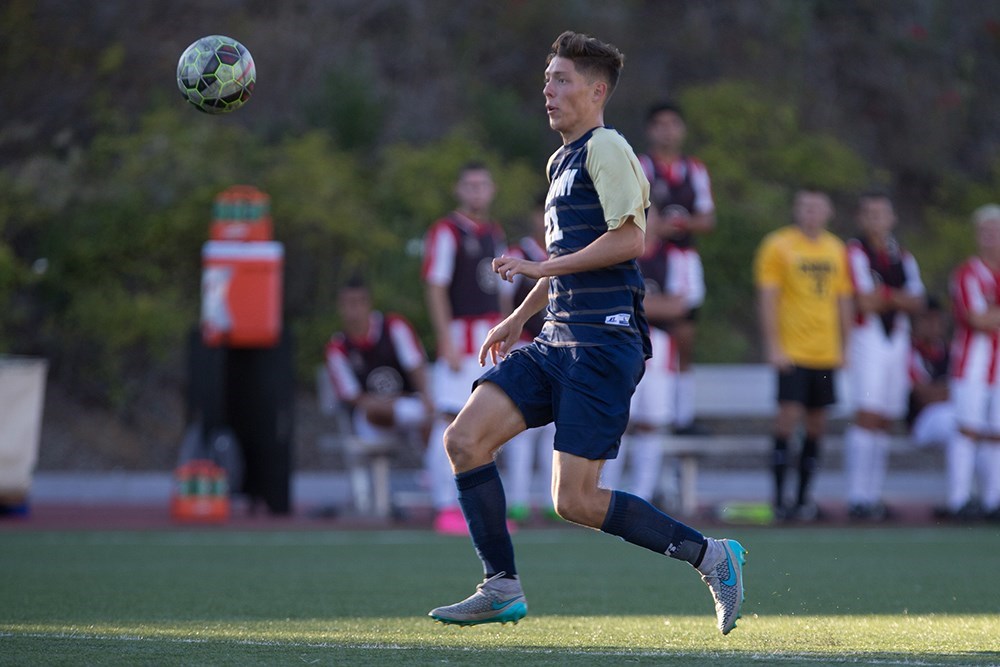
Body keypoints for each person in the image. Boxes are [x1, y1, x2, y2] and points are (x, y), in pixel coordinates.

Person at [427, 31, 746, 635]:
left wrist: (541, 268)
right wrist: (520, 316)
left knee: (574, 500)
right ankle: (501, 586)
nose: (548, 89)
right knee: (464, 440)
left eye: (562, 79)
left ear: (597, 92)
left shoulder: (609, 148)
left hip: (604, 343)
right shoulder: (560, 160)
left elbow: (630, 240)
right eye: (547, 79)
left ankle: (712, 556)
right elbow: (569, 253)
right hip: (554, 341)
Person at [422, 161, 511, 535]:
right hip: (460, 333)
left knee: (488, 422)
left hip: (489, 335)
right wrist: (446, 338)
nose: (476, 191)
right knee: (451, 418)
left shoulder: (494, 232)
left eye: (483, 184)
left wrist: (507, 331)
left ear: (491, 190)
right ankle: (445, 503)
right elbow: (436, 285)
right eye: (470, 184)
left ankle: (480, 506)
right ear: (460, 190)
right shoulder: (446, 231)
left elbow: (505, 290)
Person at [753, 188, 853, 521]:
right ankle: (780, 499)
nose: (810, 213)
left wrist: (846, 345)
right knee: (786, 420)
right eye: (805, 206)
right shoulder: (778, 245)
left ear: (828, 212)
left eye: (817, 207)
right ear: (797, 210)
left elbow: (843, 299)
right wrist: (774, 346)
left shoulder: (837, 249)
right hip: (793, 351)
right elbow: (768, 297)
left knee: (817, 424)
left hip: (825, 352)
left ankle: (803, 500)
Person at [843, 191, 926, 520]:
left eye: (882, 213)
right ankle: (856, 496)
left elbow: (918, 301)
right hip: (868, 337)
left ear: (892, 218)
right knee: (868, 414)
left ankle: (874, 495)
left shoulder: (902, 255)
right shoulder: (854, 251)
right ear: (861, 218)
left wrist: (885, 296)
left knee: (886, 418)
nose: (876, 220)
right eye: (870, 214)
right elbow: (864, 301)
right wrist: (896, 298)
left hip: (897, 340)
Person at [601, 206, 691, 504]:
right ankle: (605, 492)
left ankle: (641, 495)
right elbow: (610, 302)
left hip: (659, 346)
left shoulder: (673, 257)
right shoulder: (616, 251)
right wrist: (651, 304)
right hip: (620, 341)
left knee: (650, 422)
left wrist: (636, 303)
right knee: (617, 420)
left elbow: (680, 306)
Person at [638, 102, 716, 436]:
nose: (667, 130)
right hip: (645, 255)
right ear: (650, 130)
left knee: (683, 335)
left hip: (681, 260)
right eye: (660, 124)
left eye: (673, 123)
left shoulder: (694, 169)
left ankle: (681, 413)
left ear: (682, 129)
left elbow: (707, 219)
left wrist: (675, 223)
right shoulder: (642, 166)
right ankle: (650, 407)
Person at [324, 277, 433, 511]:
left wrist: (424, 399)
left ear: (368, 303)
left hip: (409, 408)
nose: (353, 310)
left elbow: (417, 365)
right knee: (383, 413)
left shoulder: (394, 327)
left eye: (358, 303)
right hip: (373, 419)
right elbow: (354, 397)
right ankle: (374, 501)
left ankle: (441, 486)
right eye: (347, 304)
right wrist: (387, 406)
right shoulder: (338, 347)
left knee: (431, 418)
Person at [499, 194, 556, 524]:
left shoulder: (569, 253)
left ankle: (553, 500)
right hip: (524, 346)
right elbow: (504, 301)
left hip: (558, 346)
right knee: (522, 427)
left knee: (553, 428)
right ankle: (518, 500)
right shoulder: (519, 254)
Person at [945, 204, 1000, 521]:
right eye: (986, 232)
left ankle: (993, 499)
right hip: (972, 365)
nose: (991, 238)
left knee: (996, 432)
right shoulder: (967, 272)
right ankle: (960, 499)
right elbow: (976, 319)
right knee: (967, 430)